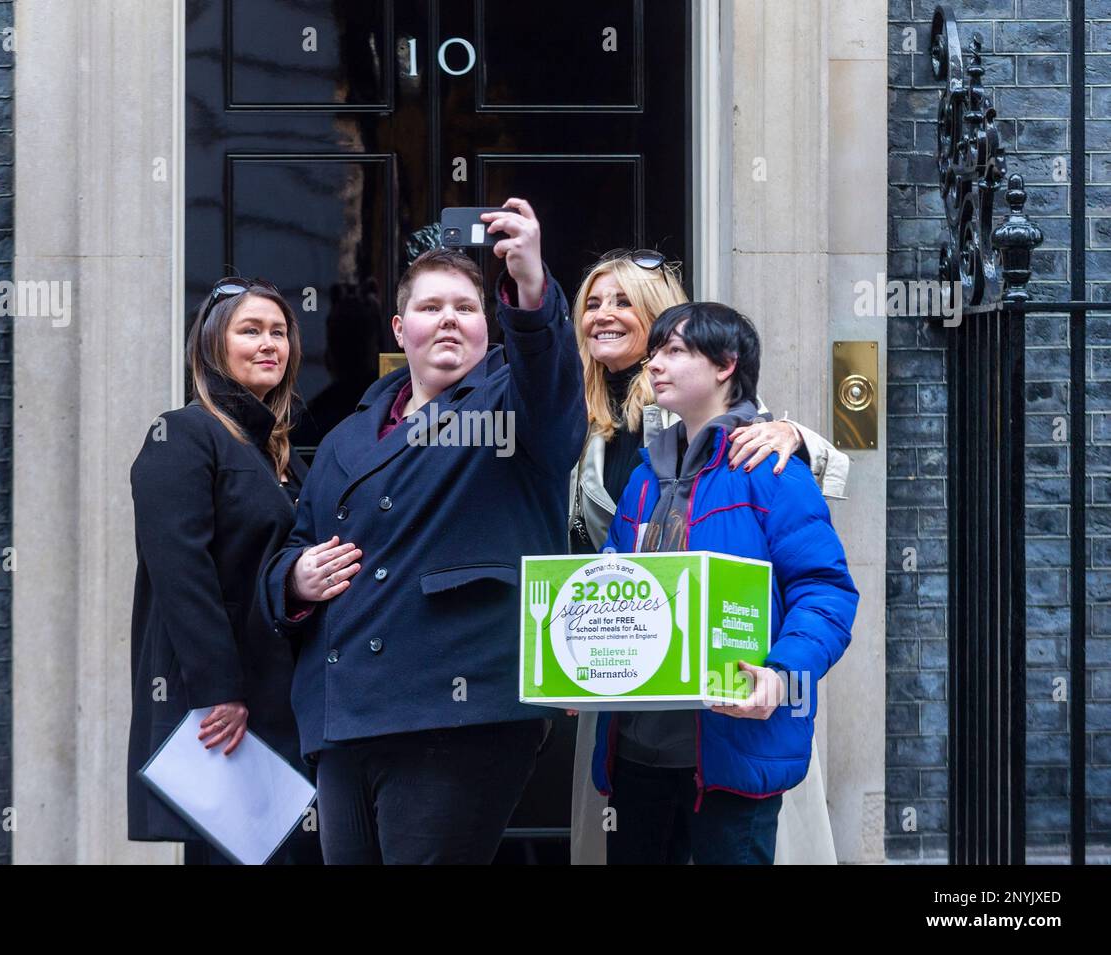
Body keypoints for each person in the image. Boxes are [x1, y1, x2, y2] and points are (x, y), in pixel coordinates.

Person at [258, 198, 587, 864]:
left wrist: (529, 285)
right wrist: (294, 578)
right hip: (344, 716)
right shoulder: (349, 432)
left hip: (458, 711)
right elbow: (293, 545)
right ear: (401, 327)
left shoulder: (512, 408)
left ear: (489, 327)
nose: (449, 320)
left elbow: (551, 387)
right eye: (432, 307)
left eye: (465, 308)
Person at [566, 250, 850, 864]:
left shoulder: (768, 462)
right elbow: (612, 585)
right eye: (657, 350)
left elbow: (825, 592)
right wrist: (577, 670)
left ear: (725, 366)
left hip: (730, 745)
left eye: (673, 350)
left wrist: (781, 674)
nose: (655, 362)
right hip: (636, 750)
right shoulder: (643, 476)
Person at [127, 276, 319, 865]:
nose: (269, 344)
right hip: (228, 708)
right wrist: (219, 693)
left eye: (279, 332)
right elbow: (181, 574)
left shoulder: (279, 455)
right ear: (214, 345)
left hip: (285, 696)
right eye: (250, 330)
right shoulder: (183, 434)